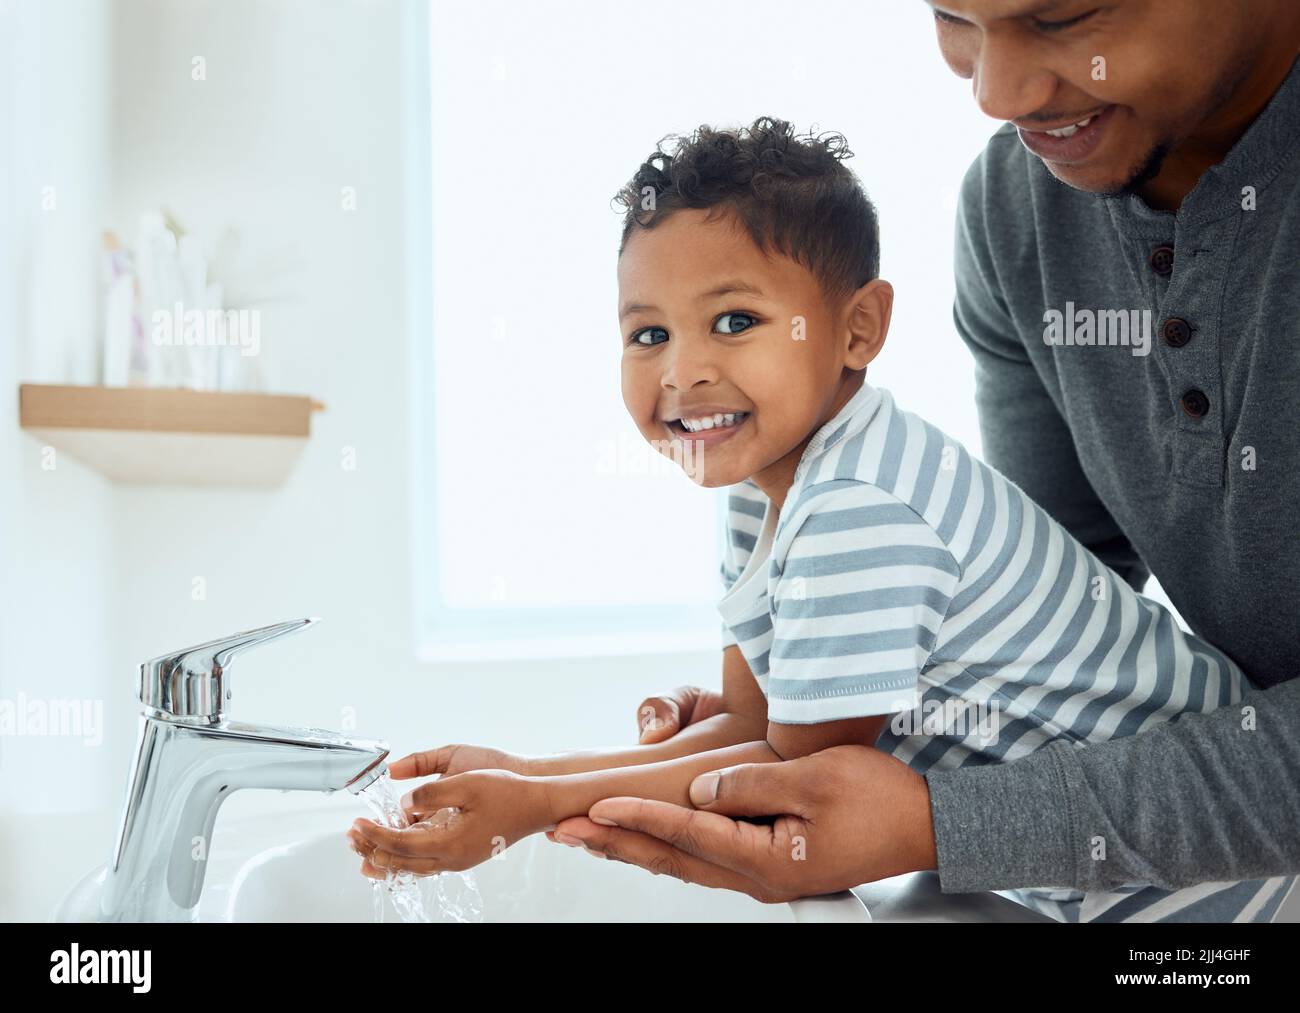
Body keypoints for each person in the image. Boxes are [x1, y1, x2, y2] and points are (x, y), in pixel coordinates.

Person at [349, 114, 1294, 920]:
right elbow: (755, 725)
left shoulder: (861, 506)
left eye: (733, 322)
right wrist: (529, 773)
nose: (681, 371)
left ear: (857, 331)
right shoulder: (758, 490)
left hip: (1226, 887)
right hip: (1096, 877)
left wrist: (531, 800)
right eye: (648, 333)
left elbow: (791, 783)